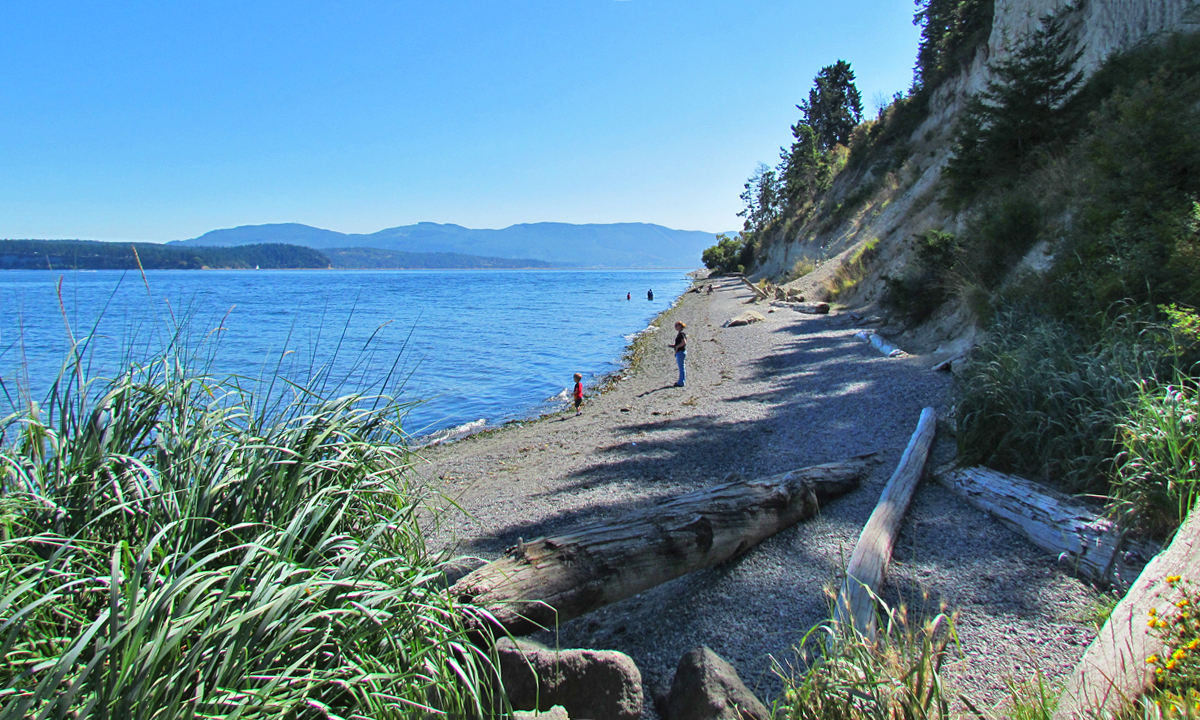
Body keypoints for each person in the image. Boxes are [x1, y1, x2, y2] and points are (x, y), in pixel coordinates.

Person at [669, 321, 687, 387]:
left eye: (676, 325)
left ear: (680, 326)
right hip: (681, 352)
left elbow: (684, 342)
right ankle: (681, 381)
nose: (675, 327)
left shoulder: (681, 334)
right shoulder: (681, 334)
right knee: (681, 367)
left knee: (681, 368)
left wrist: (677, 347)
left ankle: (681, 382)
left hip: (680, 352)